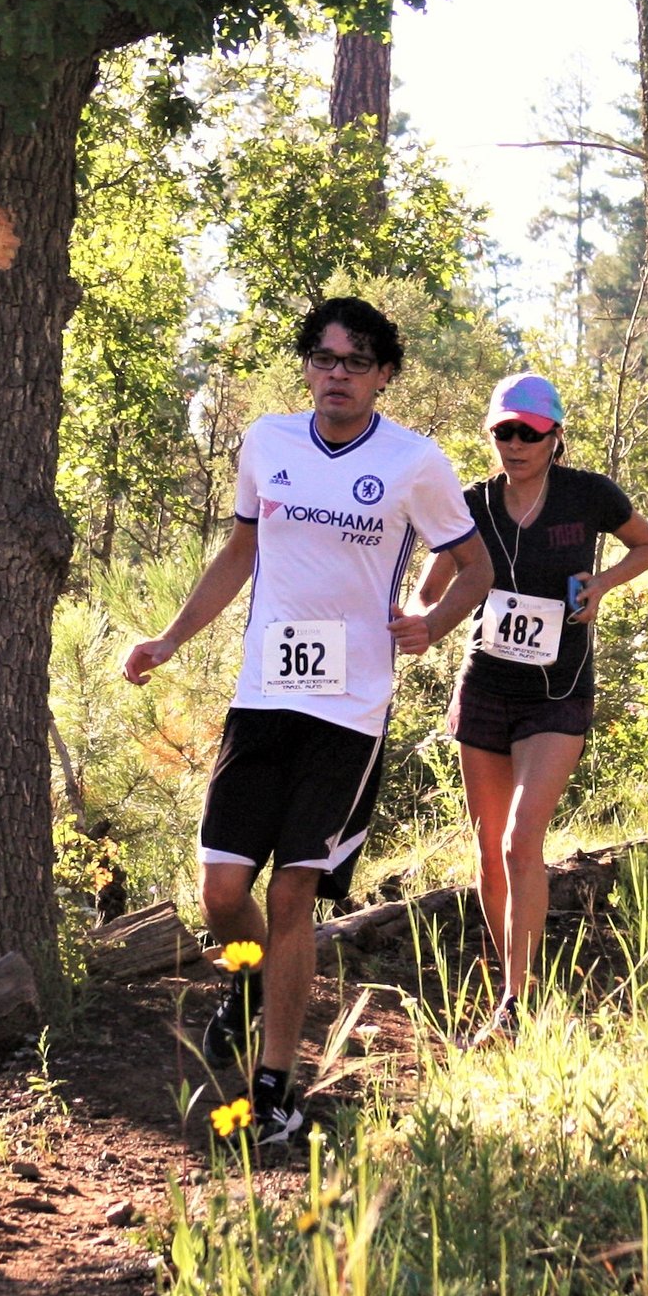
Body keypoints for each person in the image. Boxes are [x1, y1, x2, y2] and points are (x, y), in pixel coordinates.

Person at [123, 297, 494, 1150]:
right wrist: (171, 637)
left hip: (350, 708)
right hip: (263, 698)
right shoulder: (268, 443)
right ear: (307, 366)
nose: (337, 374)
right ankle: (251, 988)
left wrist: (430, 626)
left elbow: (472, 564)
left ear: (384, 375)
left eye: (356, 361)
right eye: (324, 358)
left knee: (293, 890)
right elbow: (241, 552)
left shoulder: (416, 462)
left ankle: (276, 1088)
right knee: (223, 892)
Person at [416, 374, 648, 1045]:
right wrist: (413, 622)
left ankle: (517, 1006)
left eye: (530, 431)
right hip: (486, 691)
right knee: (488, 854)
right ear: (490, 435)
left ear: (555, 436)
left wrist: (603, 584)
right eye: (504, 431)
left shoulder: (590, 495)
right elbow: (432, 585)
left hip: (559, 691)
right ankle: (507, 993)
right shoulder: (471, 505)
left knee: (521, 840)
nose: (516, 443)